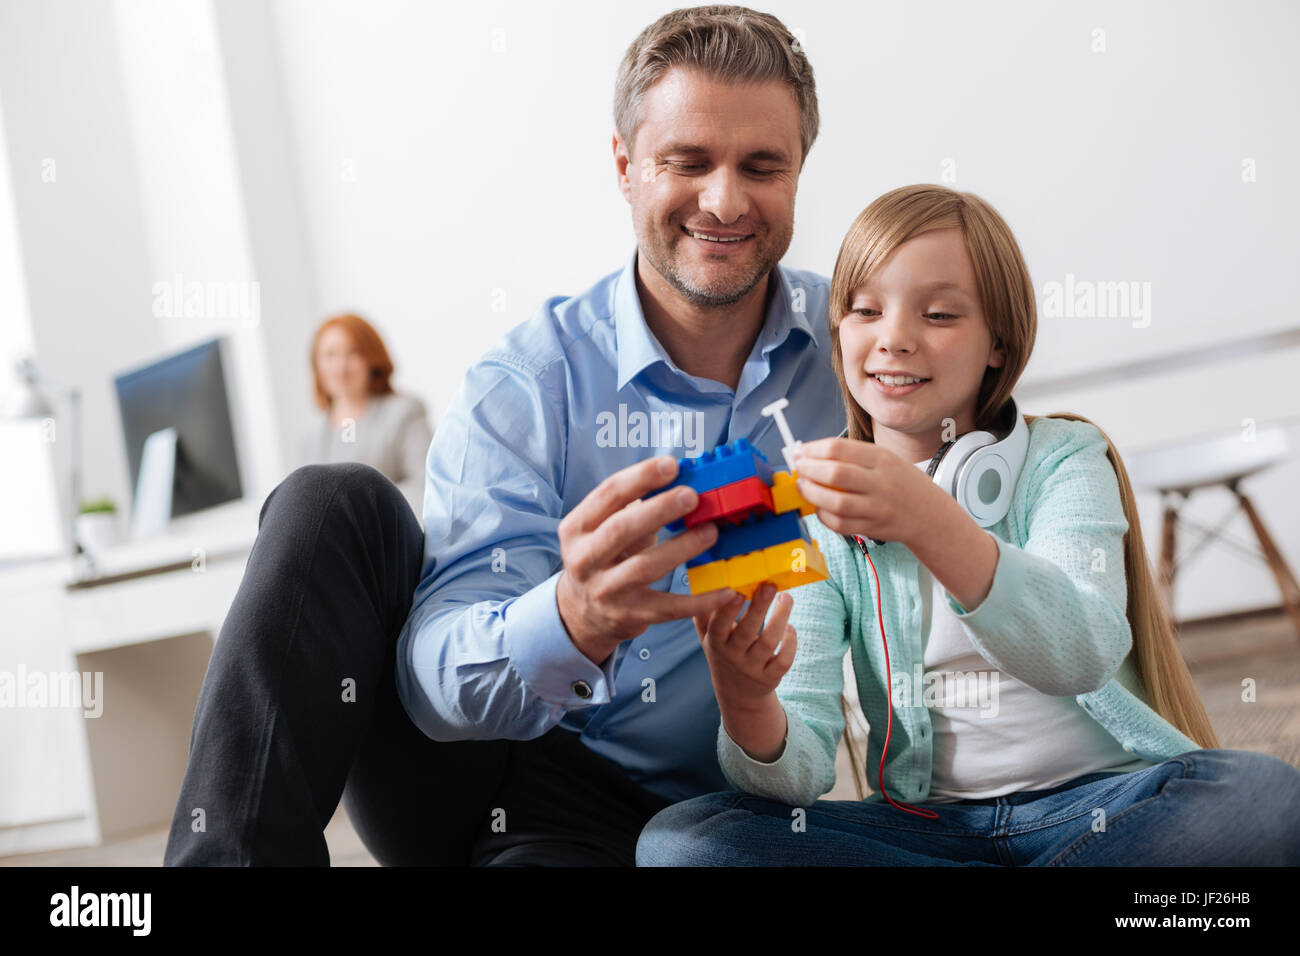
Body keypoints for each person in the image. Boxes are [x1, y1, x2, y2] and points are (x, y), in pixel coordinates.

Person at [163, 5, 847, 866]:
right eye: (687, 161)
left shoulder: (857, 346)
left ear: (798, 172)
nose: (724, 200)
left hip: (688, 822)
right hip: (472, 768)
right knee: (331, 500)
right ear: (626, 166)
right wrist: (574, 615)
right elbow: (429, 677)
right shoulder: (529, 380)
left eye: (762, 166)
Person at [635, 184, 1300, 866]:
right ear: (840, 332)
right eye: (865, 309)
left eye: (940, 314)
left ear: (997, 344)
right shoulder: (816, 522)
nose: (893, 337)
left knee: (1263, 797)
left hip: (1102, 809)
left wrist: (930, 522)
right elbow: (801, 775)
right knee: (683, 845)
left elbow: (1084, 651)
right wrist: (747, 703)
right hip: (930, 830)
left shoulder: (1064, 459)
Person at [301, 313, 433, 522]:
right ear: (317, 365)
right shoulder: (311, 437)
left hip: (386, 536)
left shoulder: (405, 412)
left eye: (352, 352)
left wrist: (362, 515)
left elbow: (424, 486)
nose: (340, 366)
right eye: (330, 355)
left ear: (371, 359)